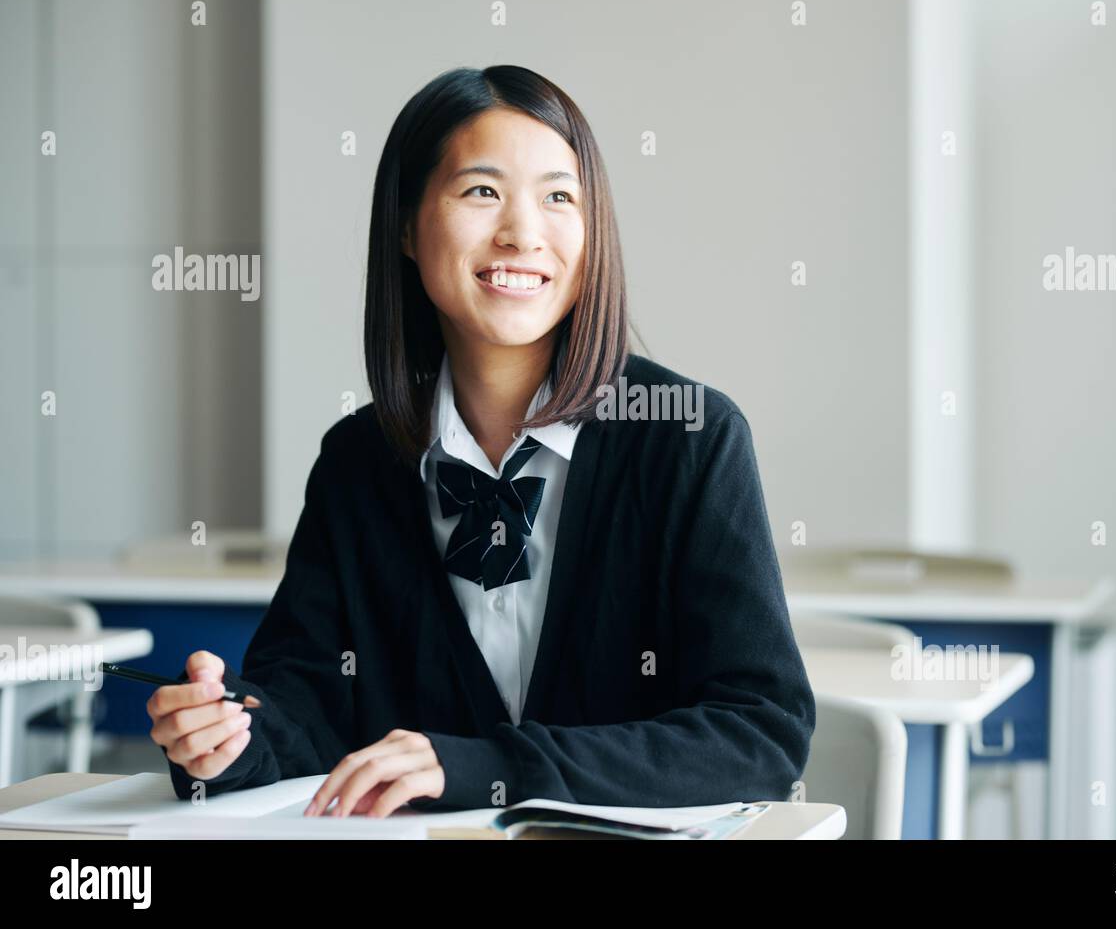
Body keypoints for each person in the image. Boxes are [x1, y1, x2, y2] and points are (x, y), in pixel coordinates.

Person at [148, 65, 815, 816]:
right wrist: (228, 736)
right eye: (482, 191)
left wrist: (488, 767)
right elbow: (307, 711)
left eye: (560, 196)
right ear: (406, 225)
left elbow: (760, 735)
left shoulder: (690, 438)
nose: (523, 233)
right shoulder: (358, 462)